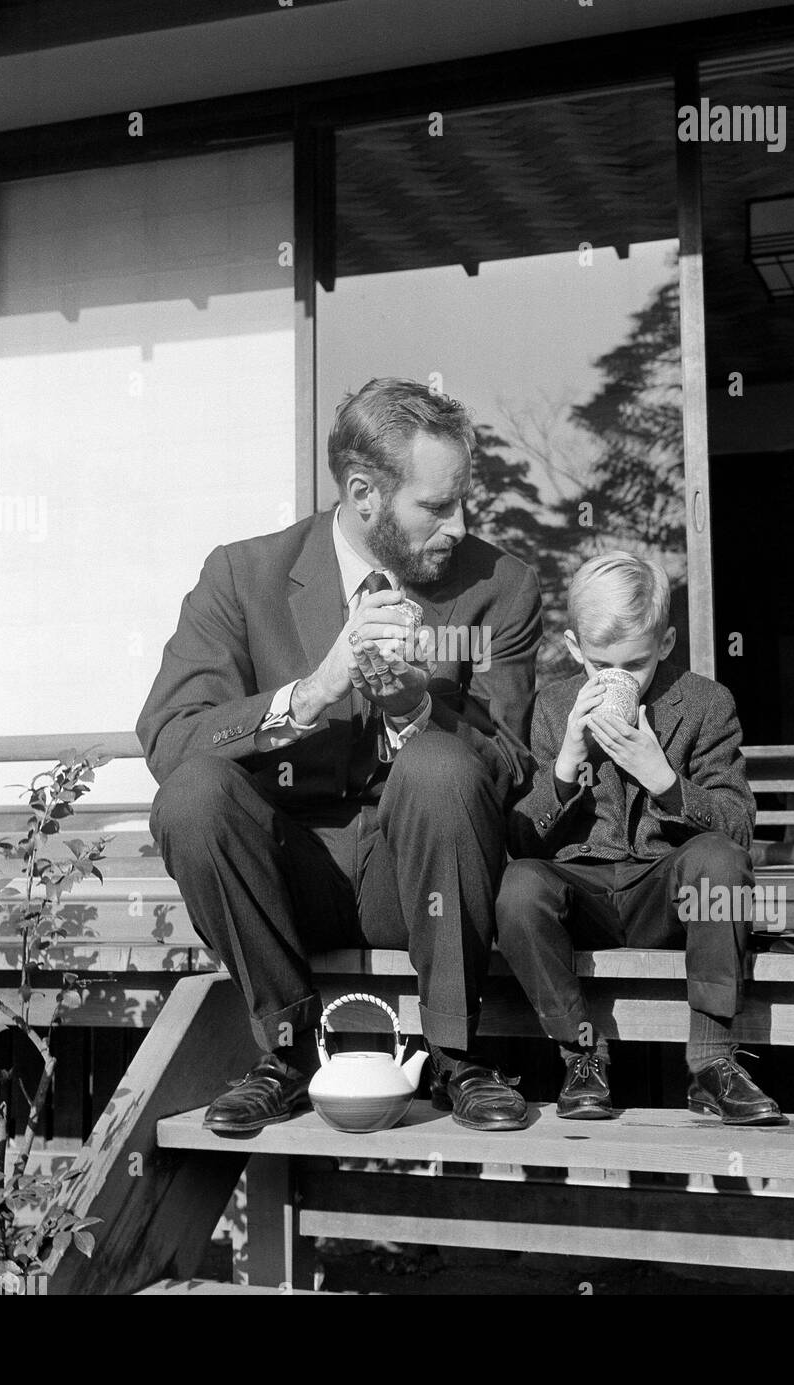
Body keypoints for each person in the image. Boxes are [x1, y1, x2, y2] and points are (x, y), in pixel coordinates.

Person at [138, 378, 542, 1135]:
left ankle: (457, 1056)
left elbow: (515, 763)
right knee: (192, 794)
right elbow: (168, 735)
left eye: (463, 499)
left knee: (441, 763)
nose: (459, 523)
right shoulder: (242, 575)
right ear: (363, 492)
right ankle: (285, 1051)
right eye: (435, 505)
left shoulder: (501, 588)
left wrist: (417, 707)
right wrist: (310, 693)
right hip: (289, 879)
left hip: (423, 873)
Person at [498, 551, 785, 1125]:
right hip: (582, 893)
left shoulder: (704, 702)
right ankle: (581, 1056)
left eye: (636, 664)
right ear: (576, 648)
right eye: (601, 663)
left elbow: (740, 827)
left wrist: (665, 781)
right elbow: (522, 838)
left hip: (665, 891)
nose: (619, 679)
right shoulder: (552, 707)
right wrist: (567, 764)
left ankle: (711, 1061)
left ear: (666, 642)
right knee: (519, 886)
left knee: (720, 865)